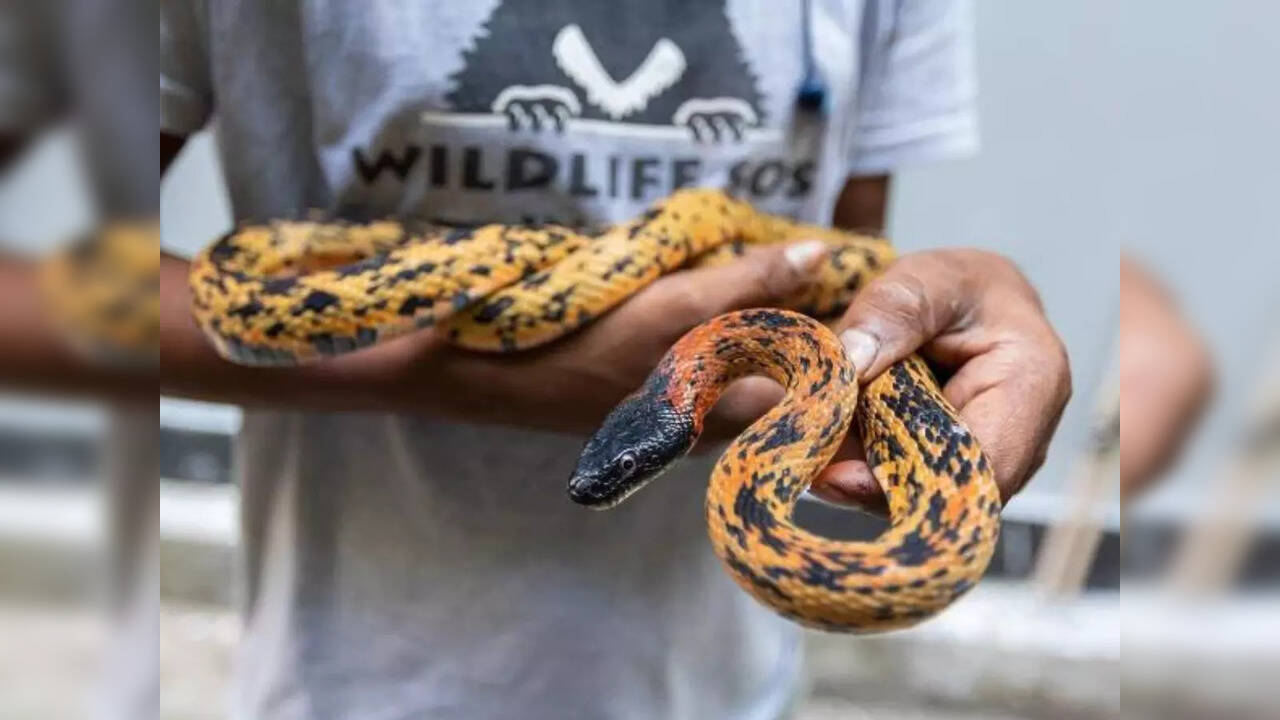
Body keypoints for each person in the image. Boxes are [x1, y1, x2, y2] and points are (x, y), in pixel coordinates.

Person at [159, 2, 1070, 718]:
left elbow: (843, 268)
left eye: (621, 463)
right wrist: (480, 381)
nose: (602, 476)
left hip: (719, 685)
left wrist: (967, 288)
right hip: (353, 678)